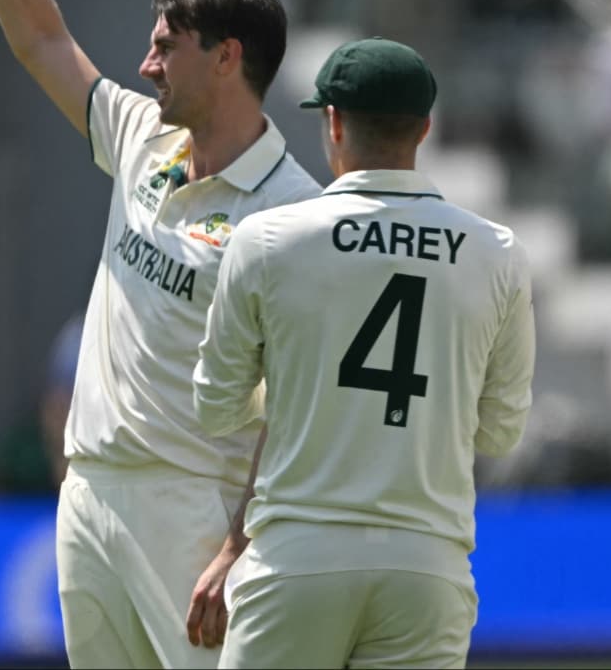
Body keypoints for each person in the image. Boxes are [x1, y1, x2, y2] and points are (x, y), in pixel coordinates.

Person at [0, 0, 323, 668]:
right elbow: (41, 40)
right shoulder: (144, 136)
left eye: (164, 48)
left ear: (226, 58)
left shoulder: (294, 212)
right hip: (90, 492)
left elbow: (301, 409)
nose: (144, 66)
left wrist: (240, 544)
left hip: (196, 513)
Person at [192, 37, 536, 669]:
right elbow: (500, 432)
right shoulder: (497, 251)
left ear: (333, 122)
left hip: (297, 557)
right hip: (427, 563)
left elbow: (215, 407)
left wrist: (302, 386)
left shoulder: (267, 240)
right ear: (426, 126)